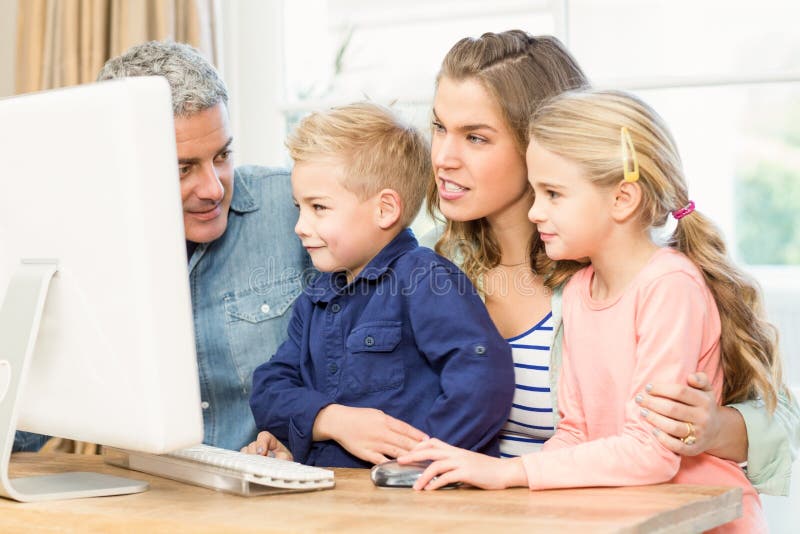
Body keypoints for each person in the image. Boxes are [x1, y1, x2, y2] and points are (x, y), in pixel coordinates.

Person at [412, 30, 798, 493]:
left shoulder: (622, 268)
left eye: (475, 137)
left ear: (544, 138)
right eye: (439, 128)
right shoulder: (427, 265)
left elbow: (774, 418)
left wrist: (713, 428)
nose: (443, 158)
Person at [246, 102, 514, 468]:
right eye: (298, 208)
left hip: (418, 498)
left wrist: (419, 459)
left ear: (385, 210)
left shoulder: (425, 279)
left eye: (318, 208)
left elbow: (483, 378)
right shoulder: (314, 300)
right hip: (335, 498)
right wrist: (329, 421)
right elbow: (268, 390)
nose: (300, 226)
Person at [96, 41, 307, 451]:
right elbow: (26, 427)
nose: (213, 189)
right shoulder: (89, 249)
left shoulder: (298, 209)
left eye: (222, 155)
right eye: (182, 168)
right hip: (146, 502)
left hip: (276, 499)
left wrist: (305, 434)